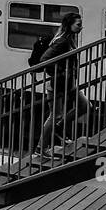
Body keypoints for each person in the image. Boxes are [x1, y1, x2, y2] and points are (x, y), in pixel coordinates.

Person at [39, 12, 92, 151]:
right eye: (78, 25)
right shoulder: (62, 41)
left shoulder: (70, 38)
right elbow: (44, 60)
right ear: (70, 25)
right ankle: (41, 148)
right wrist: (61, 71)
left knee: (85, 105)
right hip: (58, 85)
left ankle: (59, 126)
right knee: (54, 115)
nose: (81, 27)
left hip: (68, 83)